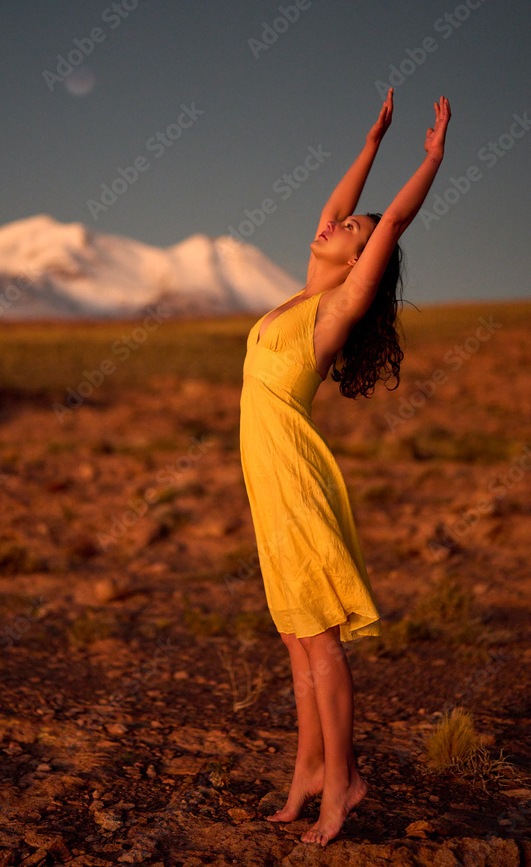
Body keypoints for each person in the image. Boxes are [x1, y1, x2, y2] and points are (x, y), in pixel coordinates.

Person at [239, 89, 451, 846]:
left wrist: (430, 160)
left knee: (320, 637)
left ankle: (345, 780)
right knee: (295, 634)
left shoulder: (333, 311)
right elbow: (338, 209)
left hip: (295, 477)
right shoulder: (302, 291)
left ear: (360, 258)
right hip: (266, 477)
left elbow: (388, 224)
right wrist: (370, 143)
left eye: (350, 229)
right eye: (339, 221)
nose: (335, 224)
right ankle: (308, 769)